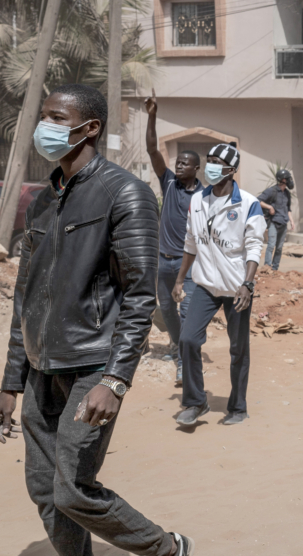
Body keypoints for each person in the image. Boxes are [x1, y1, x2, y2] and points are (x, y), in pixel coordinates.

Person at [0, 84, 194, 555]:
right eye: (44, 116)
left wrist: (116, 379)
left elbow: (140, 295)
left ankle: (165, 548)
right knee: (44, 488)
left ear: (89, 128)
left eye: (56, 118)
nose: (44, 127)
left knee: (72, 489)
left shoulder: (124, 193)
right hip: (41, 367)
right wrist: (11, 380)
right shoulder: (44, 200)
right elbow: (26, 296)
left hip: (93, 366)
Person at [173, 143, 266, 428]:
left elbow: (254, 246)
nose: (211, 166)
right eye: (209, 160)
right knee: (188, 340)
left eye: (217, 161)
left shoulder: (248, 203)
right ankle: (195, 401)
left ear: (231, 169)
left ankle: (238, 406)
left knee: (238, 349)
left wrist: (247, 284)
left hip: (237, 289)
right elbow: (191, 242)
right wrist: (180, 279)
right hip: (205, 286)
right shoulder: (198, 200)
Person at [144, 93, 202, 386]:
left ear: (196, 168)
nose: (178, 167)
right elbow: (152, 149)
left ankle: (185, 362)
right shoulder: (168, 183)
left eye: (184, 164)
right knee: (166, 310)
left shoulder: (204, 196)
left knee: (187, 311)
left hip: (188, 263)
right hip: (163, 262)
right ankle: (178, 346)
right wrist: (152, 115)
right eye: (177, 162)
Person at [258, 168, 295, 271]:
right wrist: (269, 207)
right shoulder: (272, 191)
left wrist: (292, 221)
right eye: (288, 179)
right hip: (273, 222)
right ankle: (267, 267)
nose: (290, 181)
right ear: (283, 180)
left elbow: (288, 209)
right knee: (271, 245)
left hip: (283, 223)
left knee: (279, 248)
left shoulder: (287, 193)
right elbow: (258, 201)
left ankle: (275, 268)